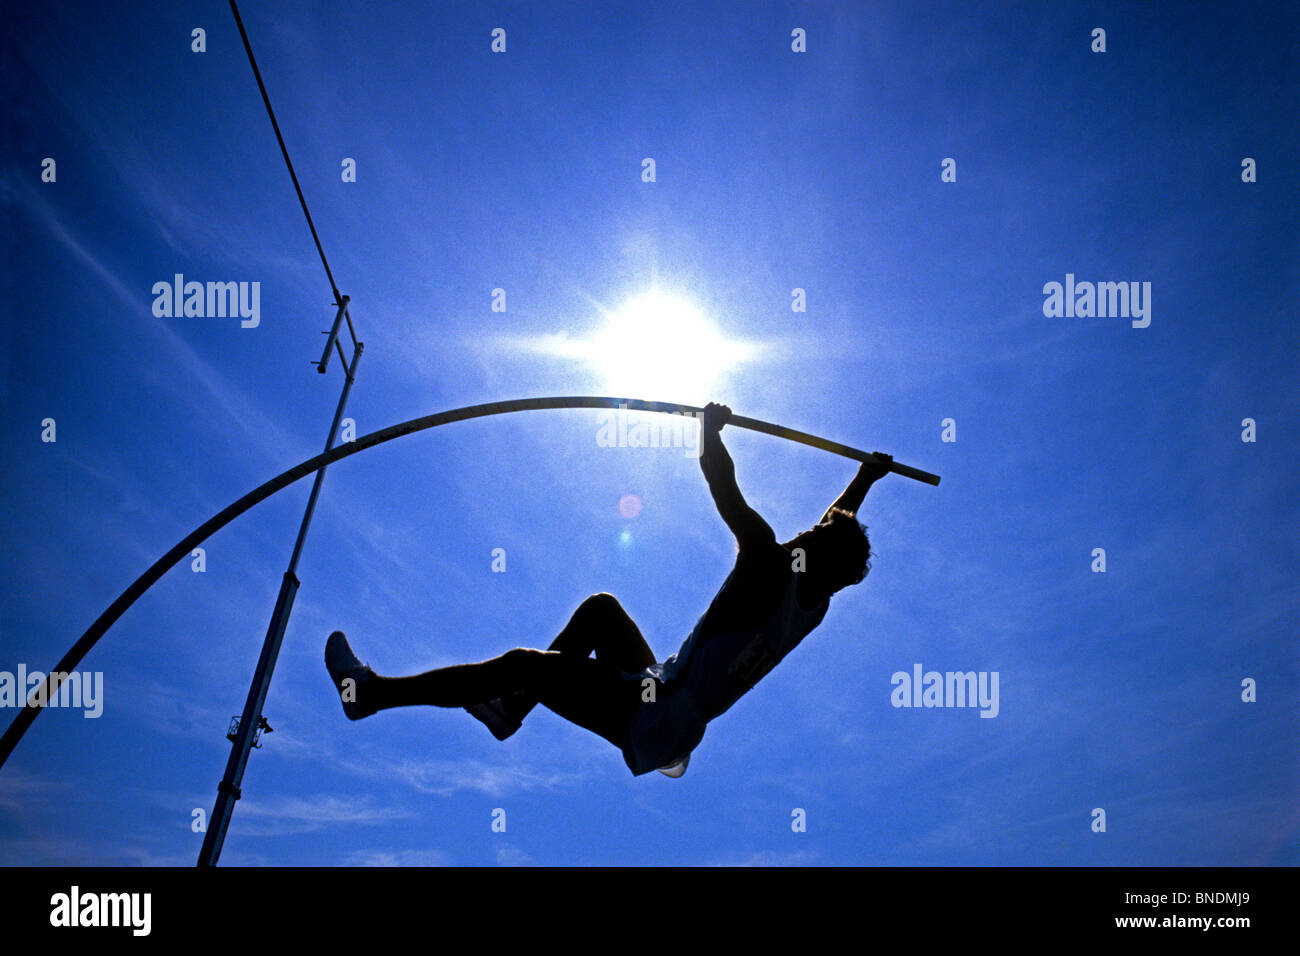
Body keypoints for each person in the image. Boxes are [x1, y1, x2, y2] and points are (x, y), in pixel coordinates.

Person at [325, 402, 892, 777]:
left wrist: (709, 430)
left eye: (813, 534)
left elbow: (722, 484)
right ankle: (508, 708)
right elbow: (834, 531)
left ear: (813, 554)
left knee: (525, 663)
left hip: (657, 713)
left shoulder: (768, 559)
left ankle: (371, 695)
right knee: (602, 612)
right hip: (666, 701)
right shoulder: (812, 605)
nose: (807, 528)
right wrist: (862, 482)